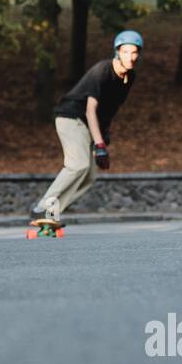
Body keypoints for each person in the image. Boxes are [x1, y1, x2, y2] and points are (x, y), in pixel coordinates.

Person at [31, 30, 143, 225]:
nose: (130, 57)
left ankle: (52, 213)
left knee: (90, 175)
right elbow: (91, 109)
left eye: (134, 52)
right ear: (117, 52)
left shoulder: (129, 78)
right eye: (126, 52)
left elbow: (109, 108)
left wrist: (103, 139)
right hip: (71, 116)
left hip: (88, 126)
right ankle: (41, 207)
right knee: (78, 165)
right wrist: (98, 144)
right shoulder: (103, 70)